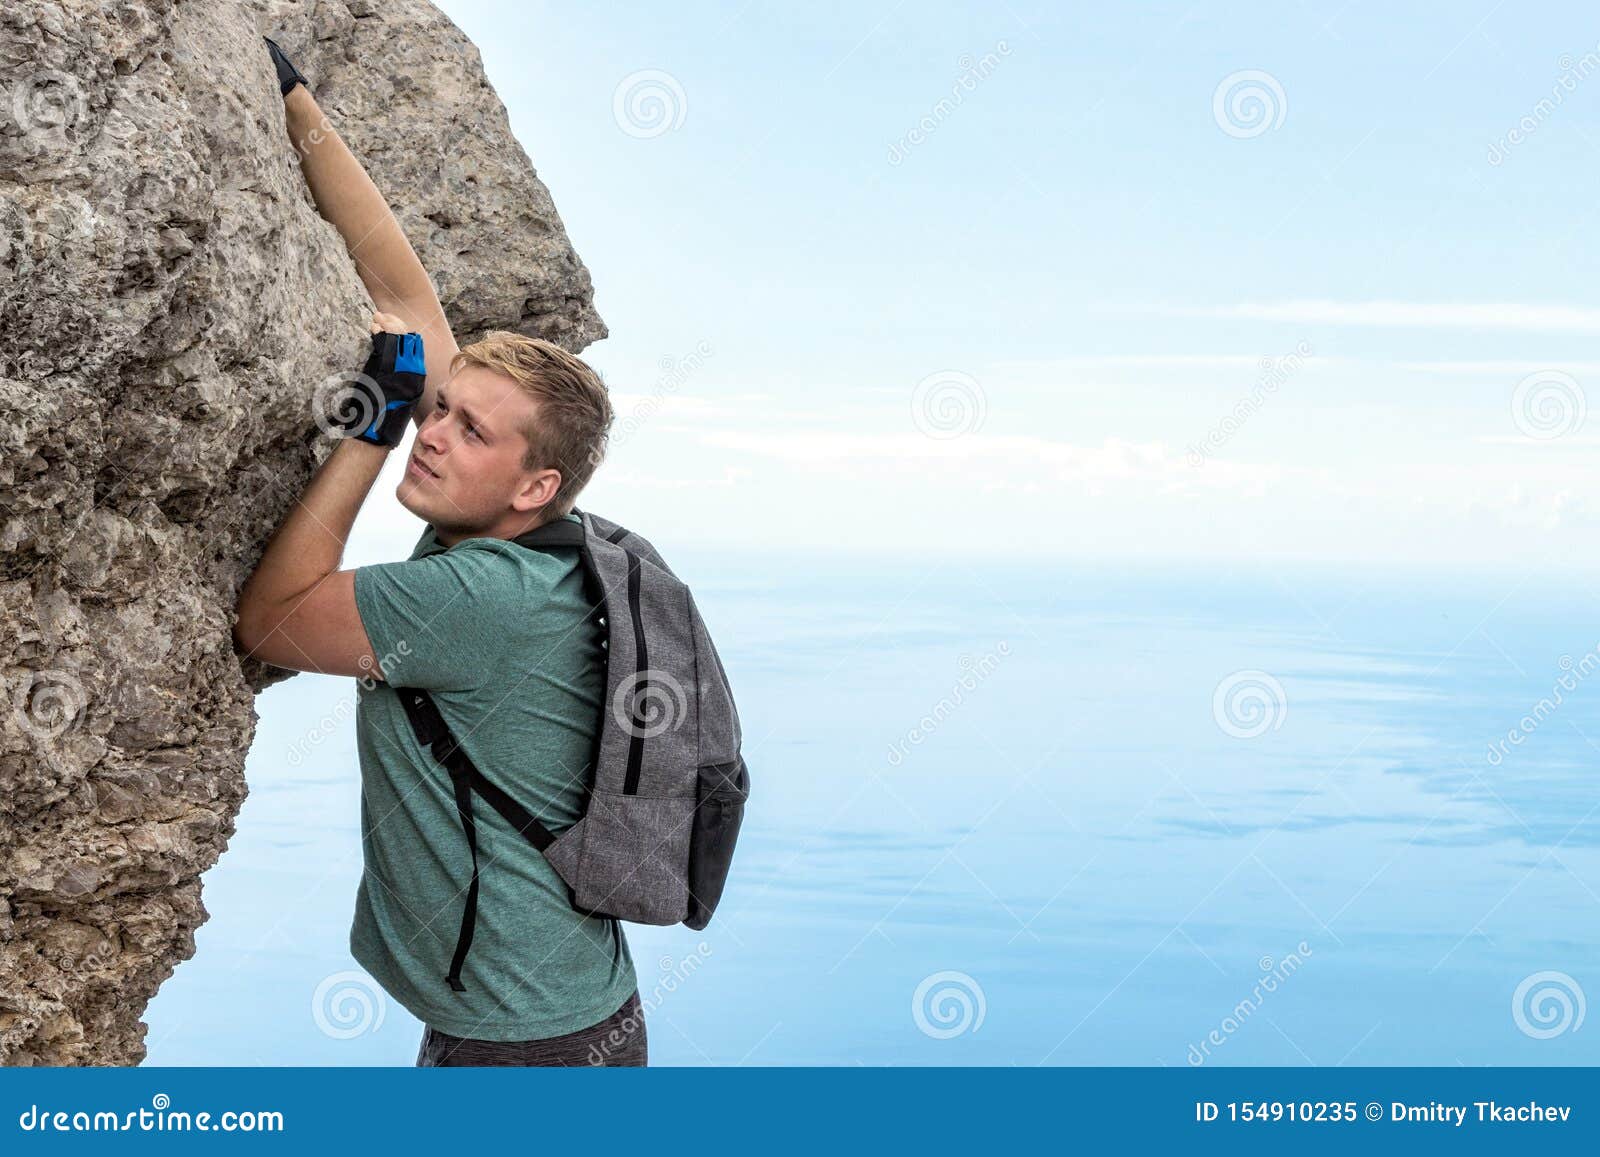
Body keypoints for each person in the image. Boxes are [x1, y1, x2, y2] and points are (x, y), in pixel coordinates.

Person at [232, 39, 644, 1067]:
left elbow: (272, 618)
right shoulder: (531, 537)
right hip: (556, 1002)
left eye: (470, 431)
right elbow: (409, 302)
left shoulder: (482, 594)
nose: (436, 433)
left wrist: (368, 428)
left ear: (534, 485)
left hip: (523, 1040)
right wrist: (292, 102)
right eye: (439, 411)